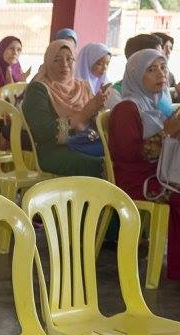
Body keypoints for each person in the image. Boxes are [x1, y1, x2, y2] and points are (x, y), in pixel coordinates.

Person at [109, 48, 180, 281]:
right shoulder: (126, 109)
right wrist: (167, 133)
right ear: (136, 75)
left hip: (160, 172)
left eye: (163, 67)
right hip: (138, 180)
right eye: (151, 69)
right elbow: (129, 154)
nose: (161, 73)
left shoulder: (161, 103)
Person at [21, 39, 105, 177]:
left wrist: (97, 112)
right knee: (101, 165)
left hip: (87, 142)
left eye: (69, 59)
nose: (64, 64)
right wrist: (83, 115)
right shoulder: (38, 90)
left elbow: (95, 126)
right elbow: (43, 133)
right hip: (53, 151)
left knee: (116, 156)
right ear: (48, 62)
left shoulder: (82, 87)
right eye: (57, 60)